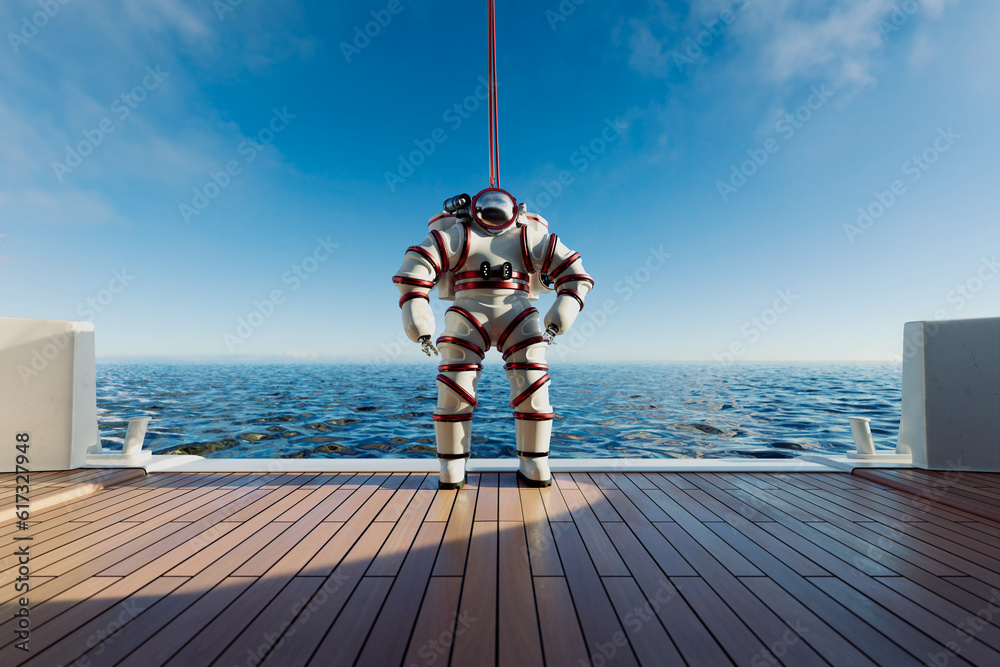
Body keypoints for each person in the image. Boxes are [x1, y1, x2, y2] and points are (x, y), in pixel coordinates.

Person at [393, 188, 593, 489]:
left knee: (530, 383)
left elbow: (575, 275)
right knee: (457, 386)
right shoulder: (462, 233)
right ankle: (454, 468)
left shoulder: (523, 235)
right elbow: (418, 266)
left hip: (505, 312)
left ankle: (531, 462)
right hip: (485, 312)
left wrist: (416, 311)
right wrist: (416, 307)